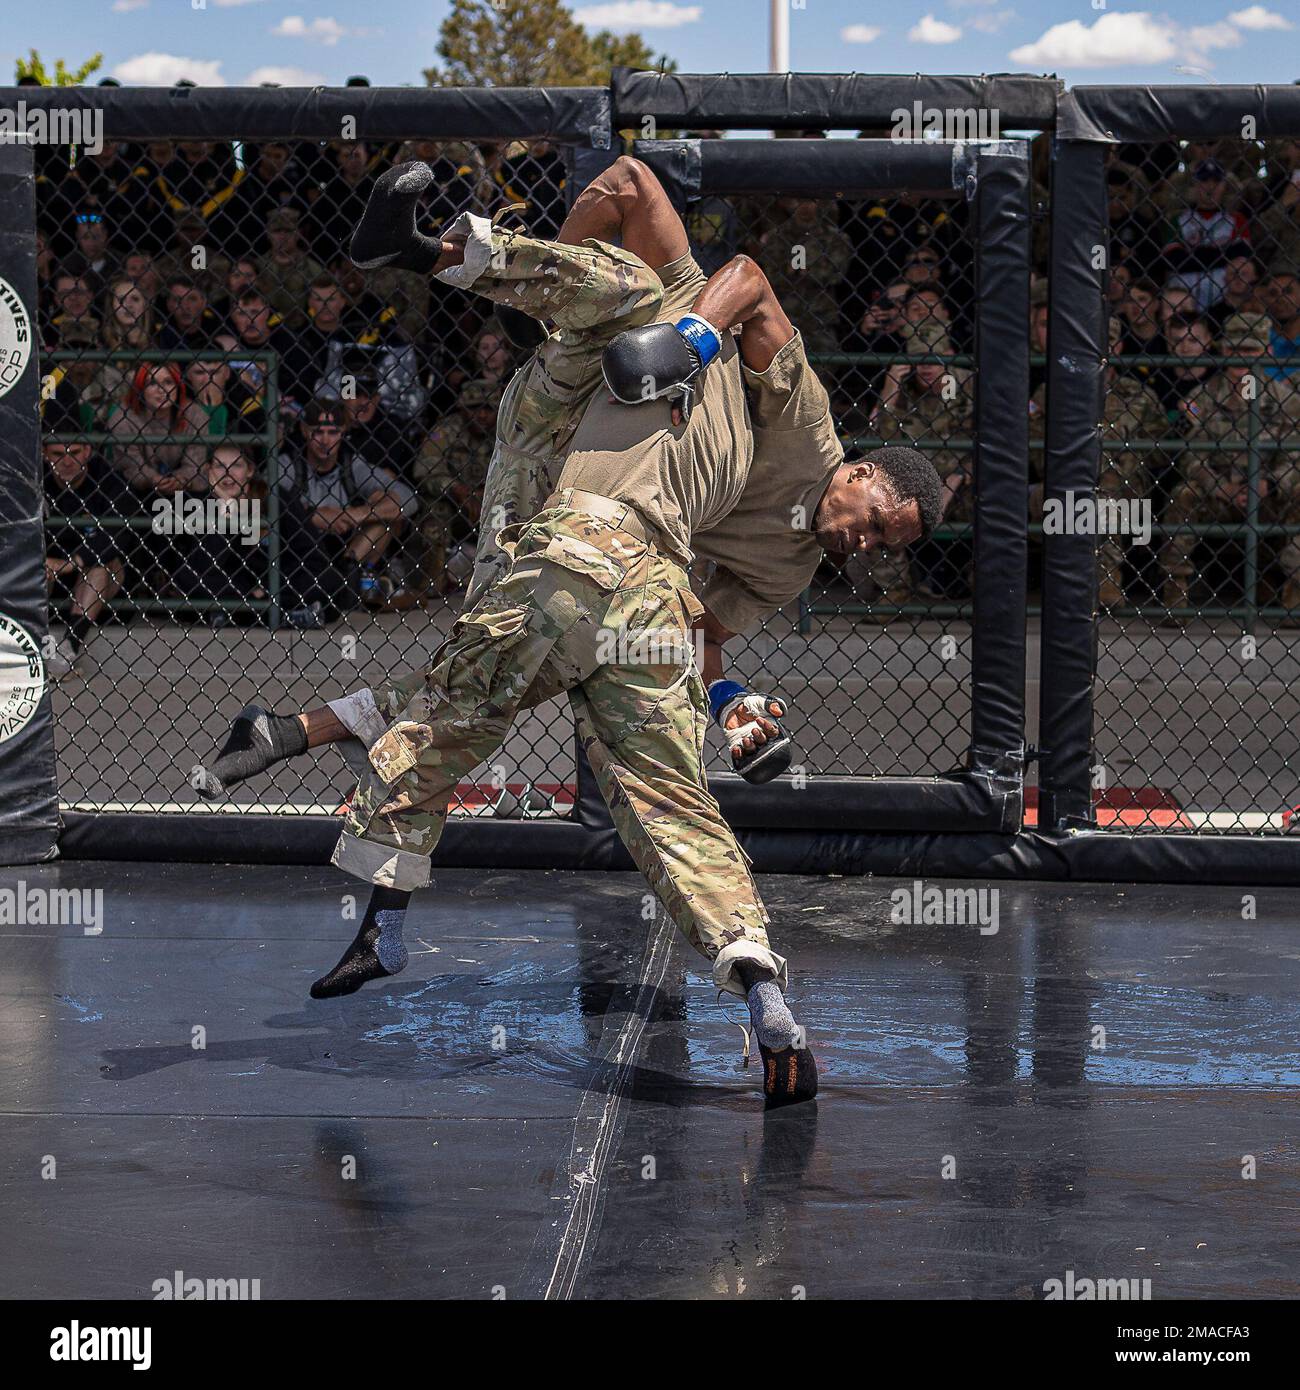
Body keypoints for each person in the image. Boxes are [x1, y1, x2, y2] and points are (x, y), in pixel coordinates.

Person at [192, 157, 943, 1110]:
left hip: (624, 577)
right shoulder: (790, 409)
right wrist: (692, 339)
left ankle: (765, 998)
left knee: (538, 742)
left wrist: (731, 702)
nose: (864, 541)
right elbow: (706, 242)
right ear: (864, 470)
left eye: (881, 546)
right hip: (547, 468)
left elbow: (706, 640)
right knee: (630, 285)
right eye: (875, 516)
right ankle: (443, 250)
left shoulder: (785, 553)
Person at [276, 398, 418, 621]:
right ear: (304, 431)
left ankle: (347, 575)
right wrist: (311, 516)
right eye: (317, 432)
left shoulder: (353, 465)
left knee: (386, 510)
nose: (325, 440)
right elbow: (262, 499)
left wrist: (352, 514)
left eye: (332, 432)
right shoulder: (288, 464)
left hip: (347, 548)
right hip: (302, 550)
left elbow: (409, 499)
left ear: (342, 432)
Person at [42, 401, 137, 677]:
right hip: (50, 575)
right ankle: (37, 646)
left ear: (88, 452)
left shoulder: (107, 479)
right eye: (58, 454)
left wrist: (71, 562)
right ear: (46, 455)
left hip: (94, 580)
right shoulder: (38, 481)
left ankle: (67, 649)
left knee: (103, 567)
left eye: (74, 452)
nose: (67, 461)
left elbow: (119, 535)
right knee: (34, 564)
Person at [411, 378, 500, 591]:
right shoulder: (445, 430)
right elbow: (424, 470)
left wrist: (487, 494)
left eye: (488, 409)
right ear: (461, 409)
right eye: (474, 408)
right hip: (453, 505)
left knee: (506, 519)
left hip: (494, 503)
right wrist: (458, 490)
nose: (482, 415)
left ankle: (499, 584)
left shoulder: (507, 432)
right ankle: (432, 583)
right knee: (434, 518)